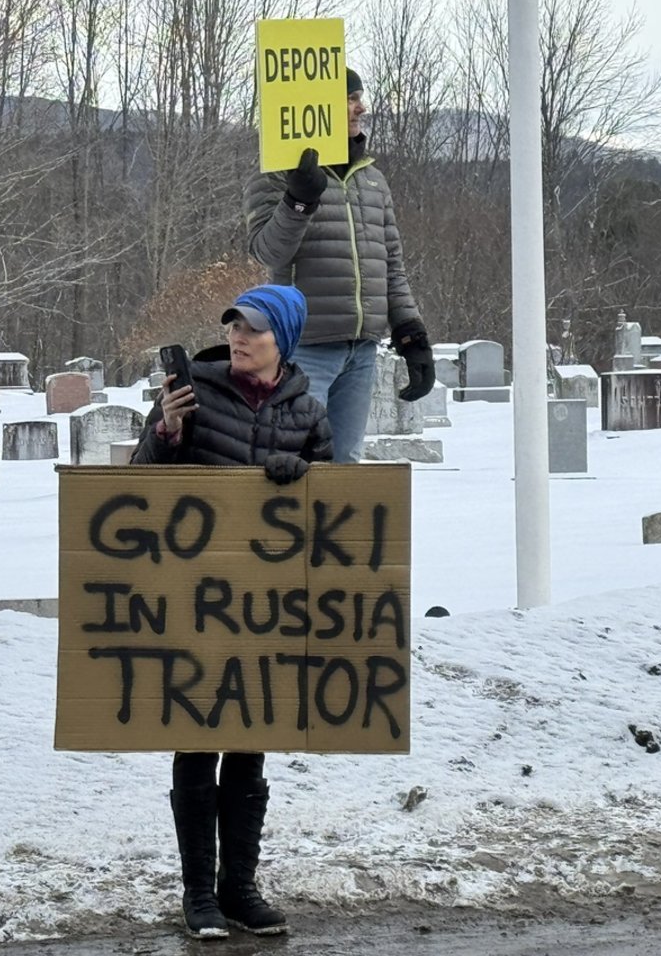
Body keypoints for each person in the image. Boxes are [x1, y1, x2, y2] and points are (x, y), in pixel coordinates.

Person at [130, 284, 331, 939]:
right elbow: (138, 486)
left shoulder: (308, 412)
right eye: (234, 328)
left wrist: (299, 477)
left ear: (284, 342)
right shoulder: (194, 394)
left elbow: (337, 512)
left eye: (254, 331)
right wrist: (167, 432)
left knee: (249, 744)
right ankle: (198, 896)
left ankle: (239, 889)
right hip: (196, 598)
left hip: (266, 610)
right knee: (197, 745)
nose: (239, 339)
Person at [243, 66, 434, 463]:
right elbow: (267, 252)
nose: (361, 107)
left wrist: (411, 335)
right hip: (305, 348)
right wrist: (299, 201)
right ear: (321, 106)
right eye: (351, 98)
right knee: (294, 459)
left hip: (362, 348)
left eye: (359, 97)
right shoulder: (278, 172)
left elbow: (391, 267)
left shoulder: (374, 181)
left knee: (345, 462)